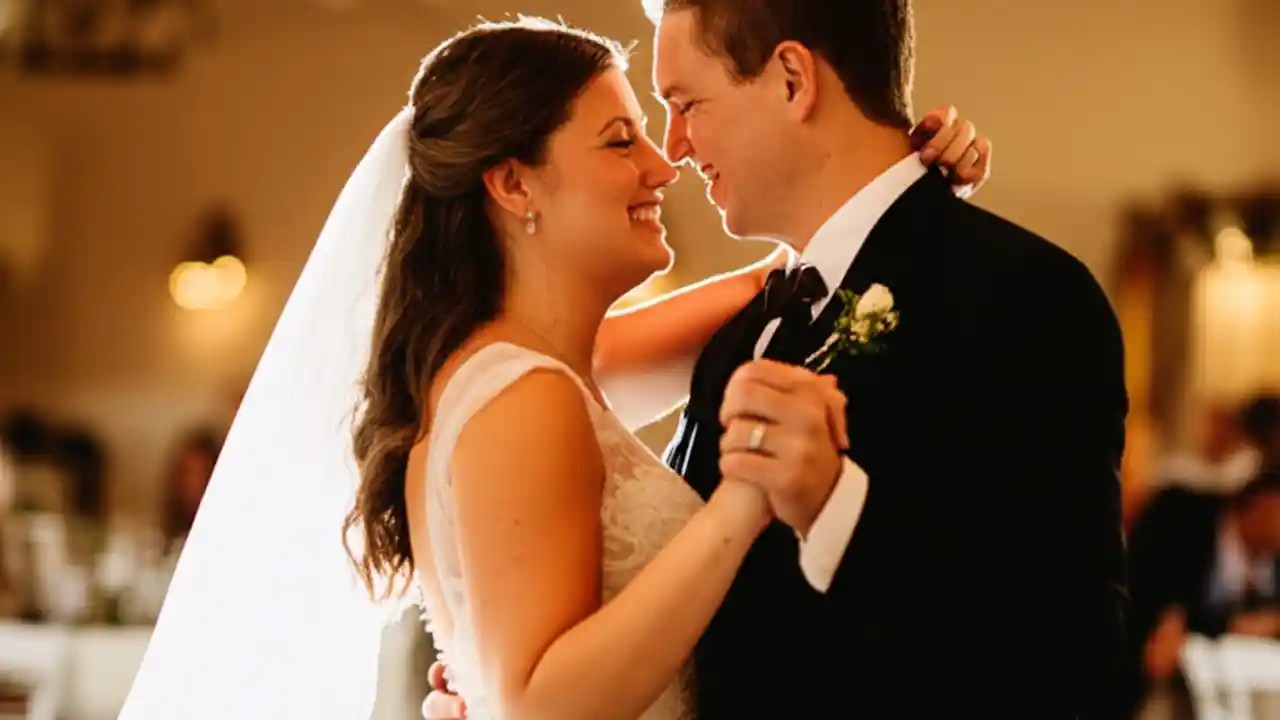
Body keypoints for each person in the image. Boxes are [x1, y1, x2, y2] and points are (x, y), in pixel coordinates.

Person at [118, 14, 990, 720]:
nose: (664, 165)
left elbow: (792, 280)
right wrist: (742, 502)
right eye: (620, 142)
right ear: (513, 185)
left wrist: (907, 181)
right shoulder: (520, 396)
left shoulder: (538, 373)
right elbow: (542, 705)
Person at [426, 1, 1129, 718]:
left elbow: (1074, 663)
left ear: (793, 79)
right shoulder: (743, 334)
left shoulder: (1022, 296)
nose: (671, 152)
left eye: (686, 104)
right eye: (627, 136)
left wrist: (837, 513)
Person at [1114, 471, 1280, 717]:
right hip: (1142, 668)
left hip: (1232, 684)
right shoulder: (1181, 516)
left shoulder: (1274, 563)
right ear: (1264, 502)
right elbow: (1140, 594)